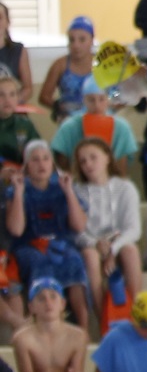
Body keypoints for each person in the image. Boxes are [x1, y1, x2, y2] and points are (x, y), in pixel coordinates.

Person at [9, 140, 88, 330]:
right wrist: (19, 193)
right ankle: (40, 325)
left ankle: (83, 328)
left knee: (74, 260)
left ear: (52, 163)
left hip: (61, 243)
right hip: (29, 246)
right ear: (27, 165)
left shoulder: (62, 186)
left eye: (45, 159)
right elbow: (16, 229)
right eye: (35, 160)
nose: (41, 164)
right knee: (39, 262)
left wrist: (69, 192)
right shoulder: (17, 190)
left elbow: (79, 226)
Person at [69, 139, 143, 320]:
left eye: (93, 157)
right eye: (83, 161)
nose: (88, 164)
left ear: (107, 158)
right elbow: (75, 231)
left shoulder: (125, 187)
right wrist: (95, 243)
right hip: (92, 245)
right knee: (90, 256)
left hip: (117, 243)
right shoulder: (76, 190)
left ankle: (138, 314)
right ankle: (104, 318)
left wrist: (113, 248)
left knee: (130, 250)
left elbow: (134, 229)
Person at [51, 87, 139, 179]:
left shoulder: (121, 127)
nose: (97, 105)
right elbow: (62, 166)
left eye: (101, 99)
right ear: (84, 100)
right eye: (91, 100)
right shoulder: (69, 127)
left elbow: (121, 172)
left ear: (108, 100)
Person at [37, 16, 102, 118]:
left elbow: (119, 95)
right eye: (72, 40)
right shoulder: (60, 65)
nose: (76, 45)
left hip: (99, 120)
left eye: (82, 40)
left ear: (92, 40)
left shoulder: (102, 65)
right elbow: (44, 97)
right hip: (69, 121)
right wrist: (59, 108)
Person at [0, 76, 41, 170]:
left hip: (22, 175)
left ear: (18, 98)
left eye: (12, 94)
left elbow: (38, 151)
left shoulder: (25, 124)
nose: (7, 100)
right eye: (1, 95)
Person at [0, 0, 27, 93]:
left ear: (7, 22)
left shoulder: (18, 50)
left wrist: (12, 101)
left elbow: (27, 88)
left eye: (0, 18)